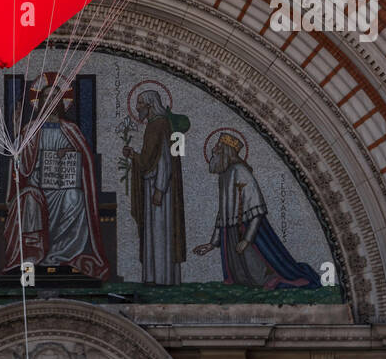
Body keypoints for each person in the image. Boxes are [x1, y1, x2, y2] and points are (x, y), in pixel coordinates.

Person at [3, 84, 109, 280]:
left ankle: (62, 255)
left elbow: (84, 158)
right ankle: (34, 256)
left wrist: (69, 153)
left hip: (63, 185)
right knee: (29, 200)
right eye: (46, 97)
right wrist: (18, 134)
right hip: (37, 184)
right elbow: (21, 164)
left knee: (75, 198)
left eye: (54, 98)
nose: (50, 101)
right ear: (41, 102)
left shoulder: (71, 129)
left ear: (61, 103)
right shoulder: (31, 129)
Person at [192, 132, 320, 288]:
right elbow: (224, 211)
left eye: (218, 148)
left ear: (226, 151)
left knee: (261, 277)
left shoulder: (241, 171)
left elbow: (256, 209)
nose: (214, 150)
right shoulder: (224, 174)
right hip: (231, 231)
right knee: (241, 279)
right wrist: (212, 244)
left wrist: (247, 240)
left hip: (246, 229)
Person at [124, 89, 190, 285]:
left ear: (150, 105)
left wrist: (160, 189)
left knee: (161, 231)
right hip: (152, 184)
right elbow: (150, 158)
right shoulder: (155, 125)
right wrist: (135, 156)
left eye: (140, 104)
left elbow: (165, 160)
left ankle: (163, 278)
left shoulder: (159, 125)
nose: (137, 108)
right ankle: (154, 276)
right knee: (154, 232)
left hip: (159, 187)